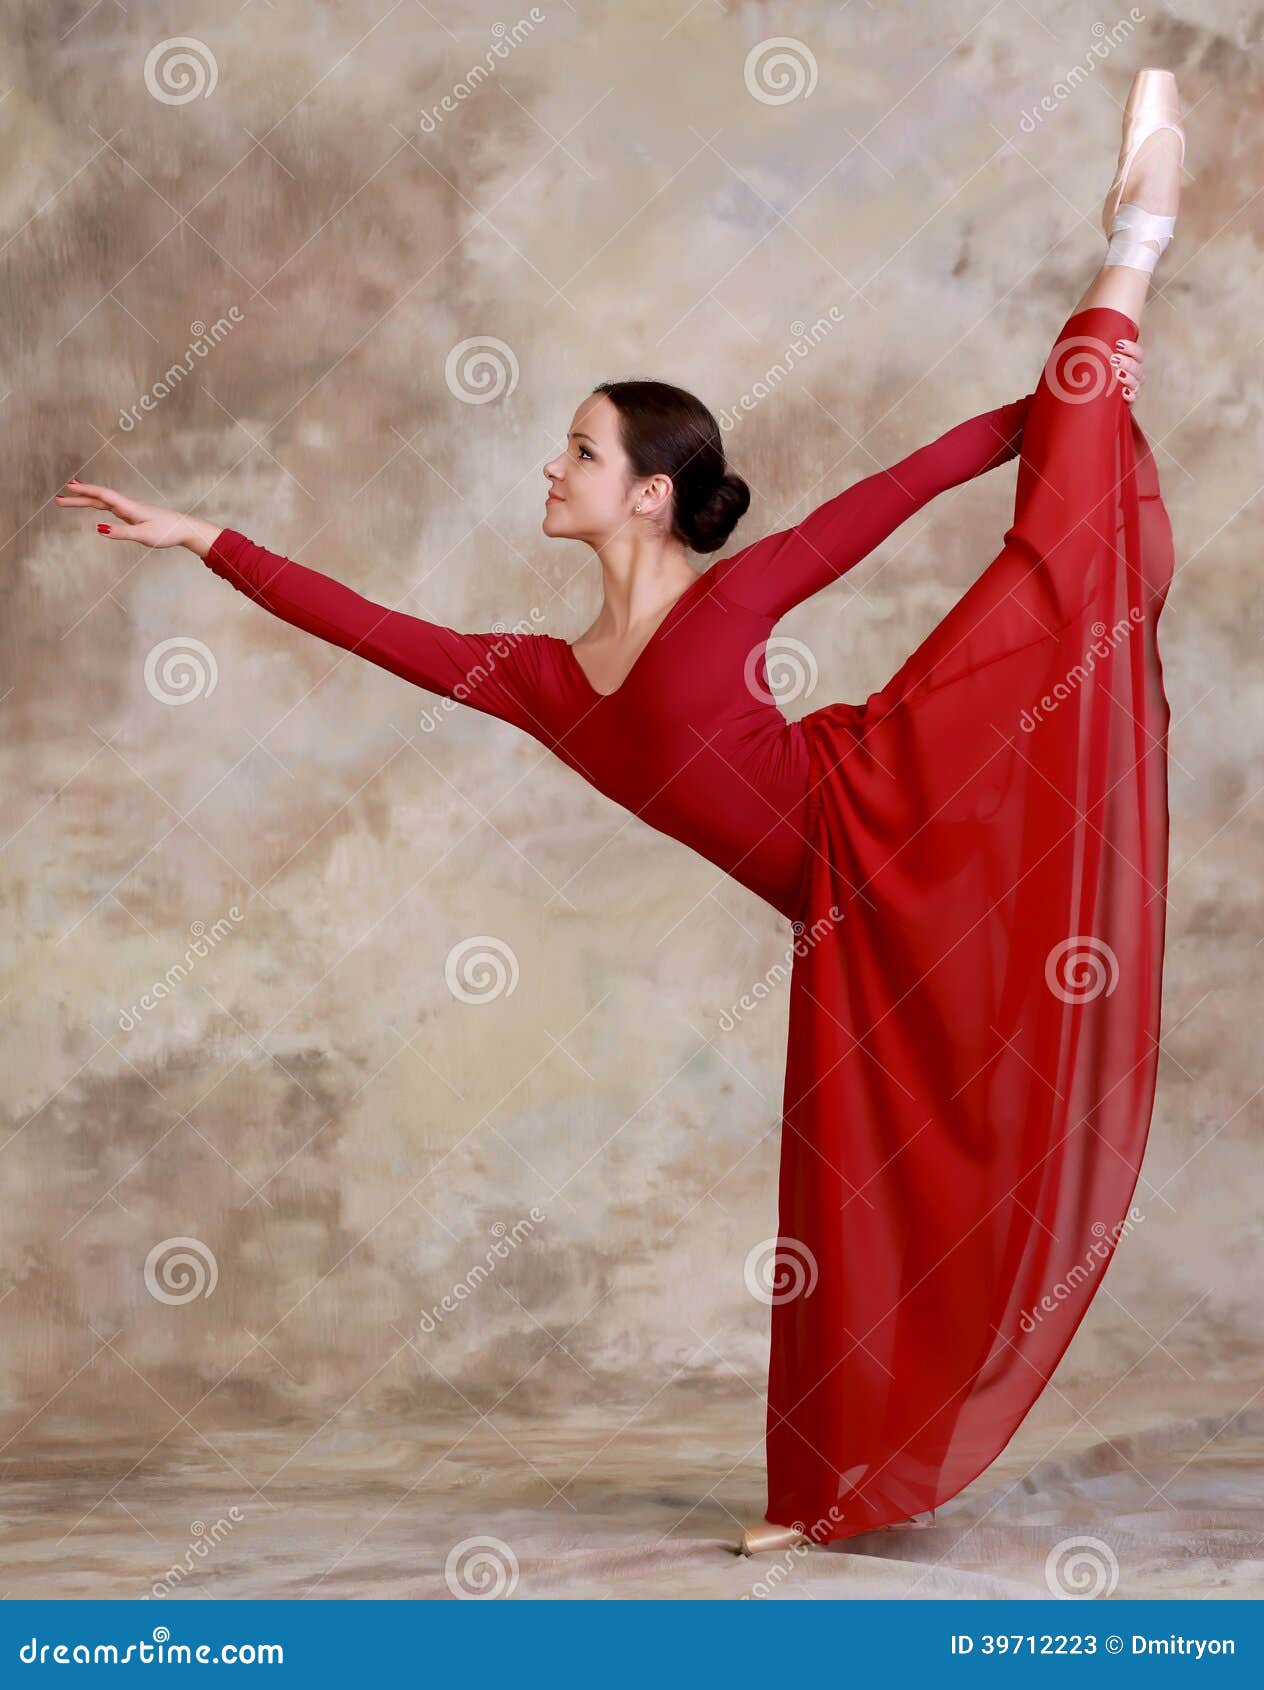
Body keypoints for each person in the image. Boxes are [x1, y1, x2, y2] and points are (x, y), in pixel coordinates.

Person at [54, 68, 1181, 1557]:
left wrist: (1050, 406)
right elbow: (373, 627)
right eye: (567, 447)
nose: (553, 465)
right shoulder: (540, 678)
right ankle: (841, 1482)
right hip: (842, 902)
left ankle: (1136, 247)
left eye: (580, 451)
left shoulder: (731, 604)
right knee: (864, 1181)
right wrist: (210, 539)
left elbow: (895, 493)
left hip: (894, 794)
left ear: (648, 496)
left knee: (1043, 582)